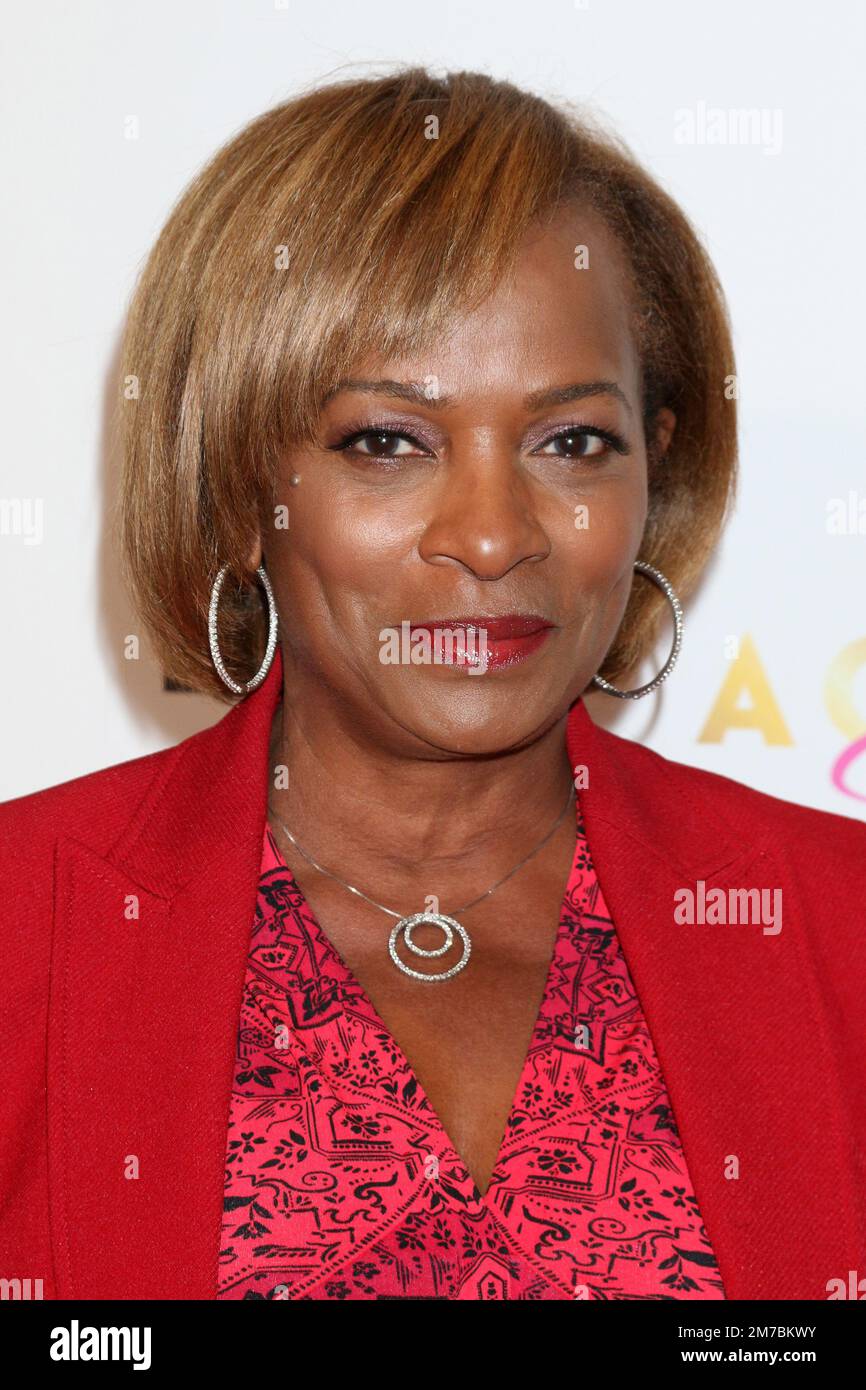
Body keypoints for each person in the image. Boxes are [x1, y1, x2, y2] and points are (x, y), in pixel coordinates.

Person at [1, 66, 864, 1302]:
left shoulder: (837, 929)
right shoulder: (22, 933)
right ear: (243, 485)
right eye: (386, 442)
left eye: (571, 441)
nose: (493, 531)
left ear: (652, 475)